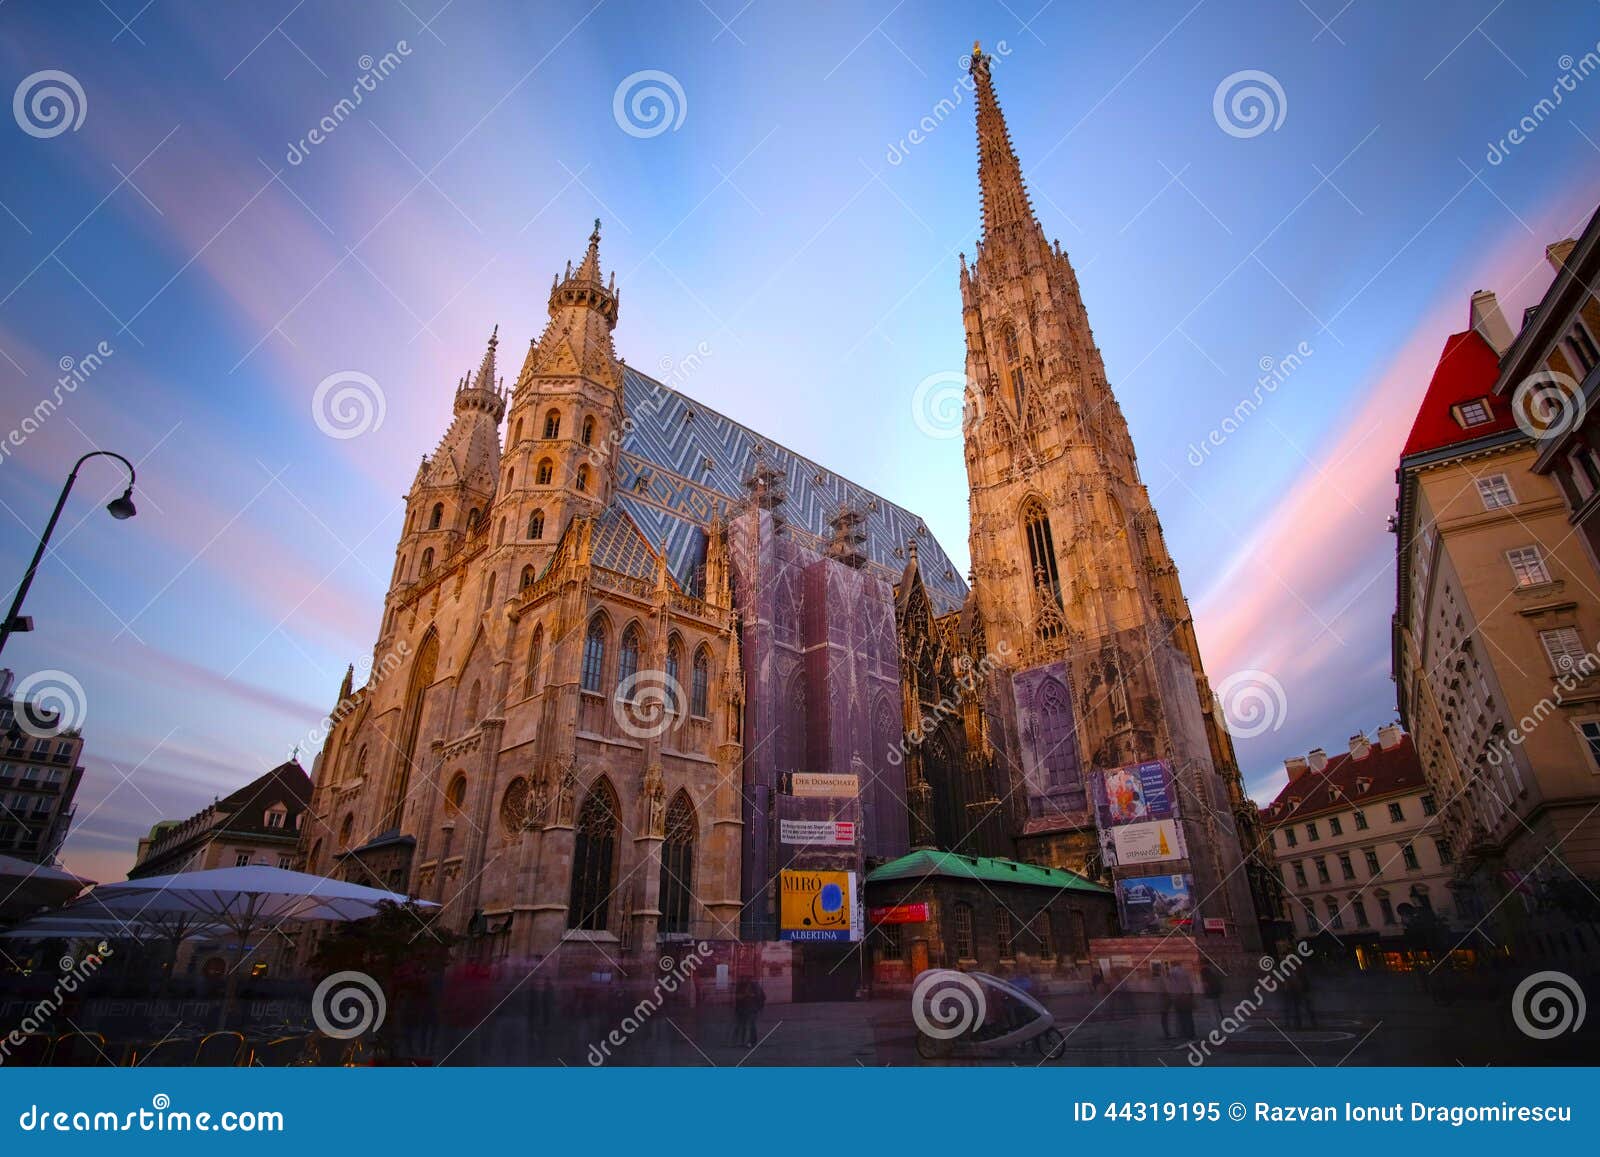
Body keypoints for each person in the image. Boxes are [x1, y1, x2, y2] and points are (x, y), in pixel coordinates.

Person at [1200, 961, 1225, 1029]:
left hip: (1209, 995)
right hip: (1216, 994)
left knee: (1212, 1014)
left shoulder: (1204, 970)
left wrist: (1204, 992)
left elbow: (1205, 983)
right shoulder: (1215, 970)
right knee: (1217, 1012)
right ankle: (1221, 1028)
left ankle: (1216, 1030)